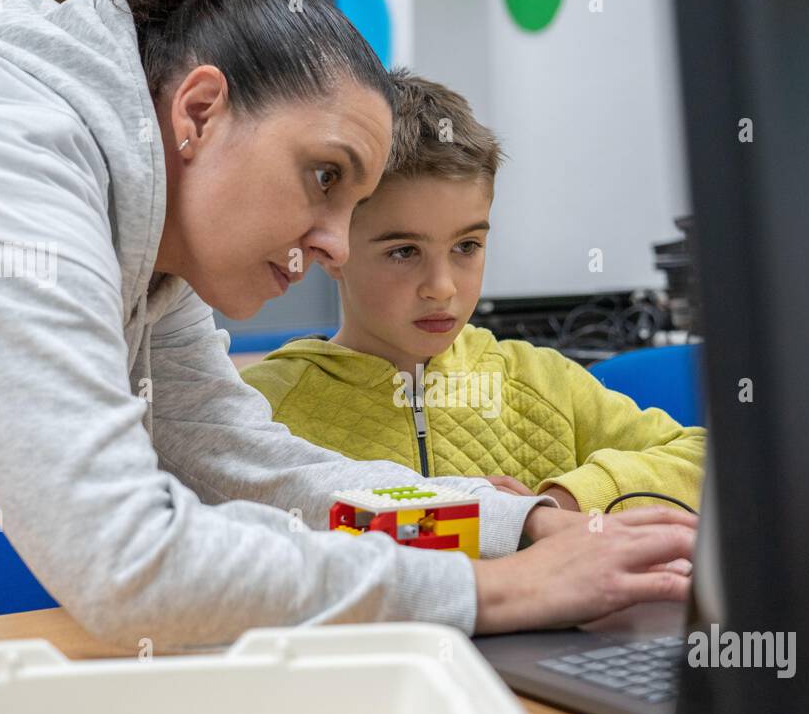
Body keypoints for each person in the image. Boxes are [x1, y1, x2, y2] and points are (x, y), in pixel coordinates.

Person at [0, 0, 695, 650]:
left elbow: (262, 470)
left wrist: (520, 526)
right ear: (199, 112)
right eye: (323, 177)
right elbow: (128, 562)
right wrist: (496, 593)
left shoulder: (139, 249)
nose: (336, 246)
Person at [241, 69, 706, 519]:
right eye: (404, 251)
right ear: (332, 245)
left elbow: (704, 459)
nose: (442, 287)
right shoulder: (260, 408)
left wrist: (566, 500)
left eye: (466, 246)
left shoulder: (542, 382)